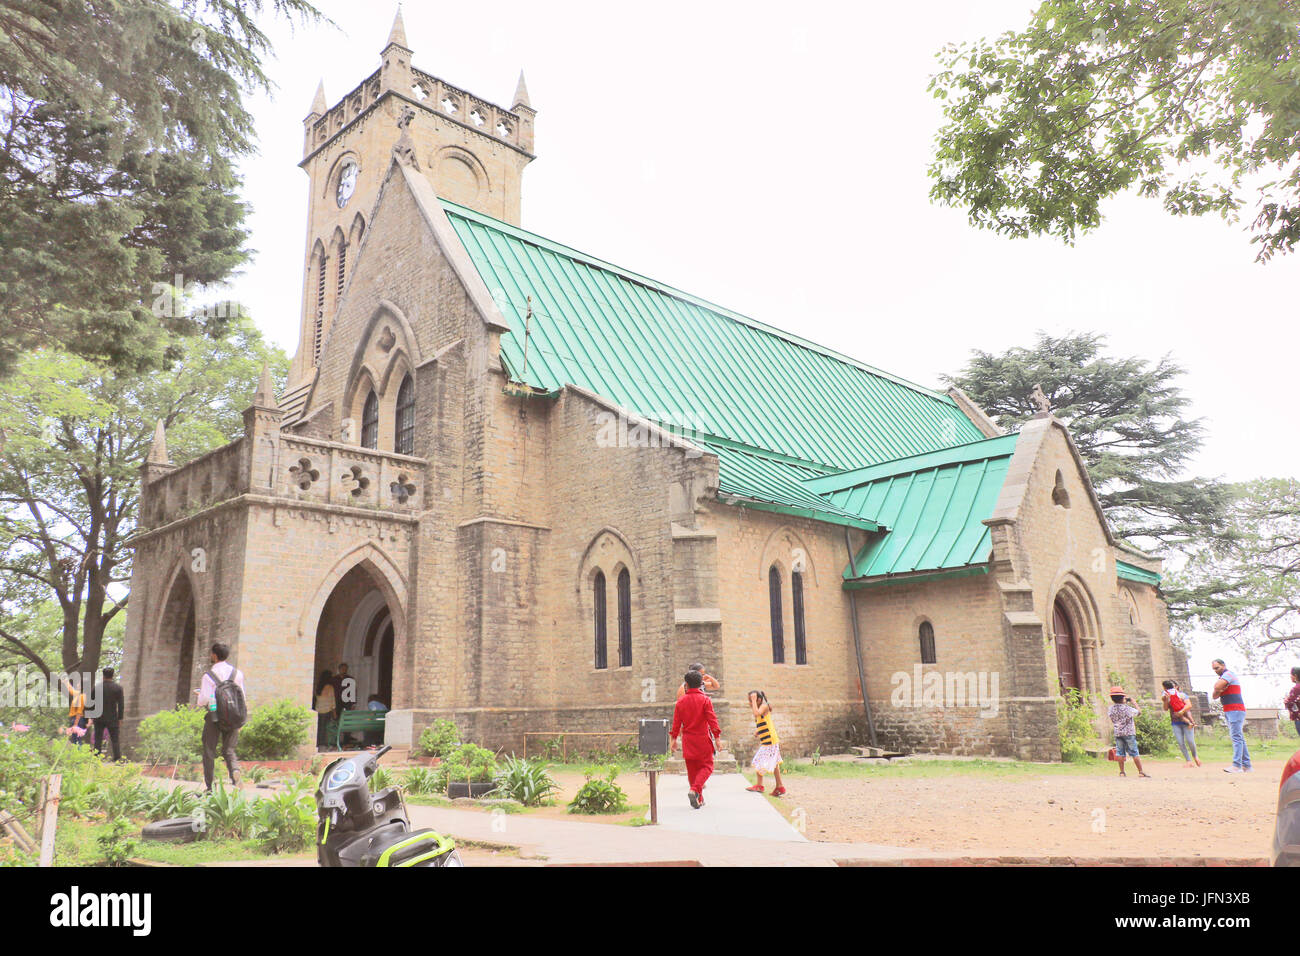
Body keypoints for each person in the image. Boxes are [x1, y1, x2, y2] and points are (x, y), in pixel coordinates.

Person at [195, 642, 245, 792]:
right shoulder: (237, 674)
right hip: (234, 715)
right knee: (229, 749)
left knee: (209, 750)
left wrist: (200, 695)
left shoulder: (209, 676)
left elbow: (202, 701)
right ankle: (235, 772)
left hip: (214, 715)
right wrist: (241, 720)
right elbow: (242, 696)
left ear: (215, 656)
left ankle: (210, 787)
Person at [670, 669, 720, 809]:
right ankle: (695, 790)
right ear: (700, 684)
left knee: (692, 771)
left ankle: (699, 799)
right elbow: (712, 721)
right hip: (703, 739)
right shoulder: (705, 700)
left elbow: (676, 723)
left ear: (686, 684)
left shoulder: (680, 702)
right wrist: (717, 738)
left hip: (688, 740)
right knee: (707, 766)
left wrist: (673, 739)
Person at [1211, 659, 1252, 773]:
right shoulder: (1223, 678)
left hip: (1235, 709)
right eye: (1214, 669)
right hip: (1230, 710)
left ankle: (1236, 765)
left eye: (1217, 668)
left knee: (1236, 737)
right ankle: (1247, 766)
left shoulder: (1228, 674)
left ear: (1223, 665)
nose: (1215, 671)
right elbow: (1214, 695)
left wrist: (1219, 688)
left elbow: (1216, 686)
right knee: (1239, 738)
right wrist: (1218, 689)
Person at [745, 690, 786, 796]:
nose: (750, 703)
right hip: (769, 741)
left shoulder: (763, 706)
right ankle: (779, 787)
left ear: (758, 700)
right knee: (775, 764)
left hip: (770, 741)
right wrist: (758, 731)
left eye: (751, 700)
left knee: (758, 760)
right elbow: (764, 721)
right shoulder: (760, 708)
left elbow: (756, 713)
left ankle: (759, 785)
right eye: (749, 701)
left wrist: (753, 700)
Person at [1107, 686, 1150, 778]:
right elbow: (1139, 712)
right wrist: (1134, 703)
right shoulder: (1127, 708)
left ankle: (1122, 772)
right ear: (1123, 697)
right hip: (1129, 733)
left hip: (1118, 733)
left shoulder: (1111, 709)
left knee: (1120, 752)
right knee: (1134, 752)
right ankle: (1140, 771)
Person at [1160, 679, 1199, 768]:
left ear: (1176, 687)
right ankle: (1188, 760)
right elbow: (1166, 708)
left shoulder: (1182, 695)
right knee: (1180, 742)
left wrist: (1181, 712)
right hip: (1175, 721)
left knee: (1190, 741)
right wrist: (1166, 700)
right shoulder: (1167, 696)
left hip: (1185, 719)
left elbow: (1189, 705)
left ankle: (1195, 756)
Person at [93, 668, 125, 762]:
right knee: (115, 739)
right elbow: (121, 705)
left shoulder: (97, 687)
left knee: (98, 739)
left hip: (98, 717)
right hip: (112, 717)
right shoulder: (118, 688)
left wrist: (91, 716)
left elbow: (91, 702)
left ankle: (96, 759)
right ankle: (117, 759)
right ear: (113, 675)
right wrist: (120, 718)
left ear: (103, 676)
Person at [313, 670, 336, 749]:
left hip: (318, 709)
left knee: (319, 727)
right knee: (326, 727)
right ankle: (324, 743)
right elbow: (332, 701)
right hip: (327, 710)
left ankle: (318, 742)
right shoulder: (330, 687)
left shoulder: (318, 686)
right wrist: (334, 712)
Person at [62, 675, 88, 744]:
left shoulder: (82, 696)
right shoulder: (78, 694)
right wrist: (66, 682)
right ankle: (76, 753)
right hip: (74, 719)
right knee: (74, 739)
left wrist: (75, 725)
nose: (77, 685)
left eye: (79, 684)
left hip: (78, 719)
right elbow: (71, 690)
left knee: (77, 739)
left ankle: (79, 753)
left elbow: (79, 712)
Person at [1284, 667, 1300, 740]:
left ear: (1296, 676)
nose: (1290, 677)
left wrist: (1286, 700)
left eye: (1291, 675)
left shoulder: (1296, 688)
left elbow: (1289, 703)